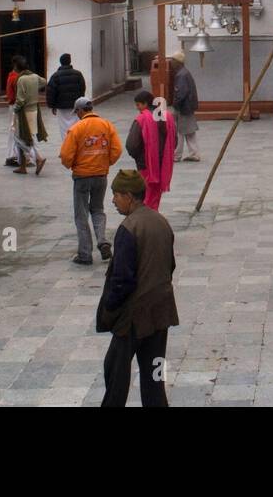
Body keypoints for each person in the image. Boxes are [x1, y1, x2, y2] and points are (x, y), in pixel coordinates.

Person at [97, 169, 179, 407]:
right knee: (154, 377)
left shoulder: (128, 228)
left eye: (116, 195)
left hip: (134, 315)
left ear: (129, 196)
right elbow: (170, 265)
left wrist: (110, 309)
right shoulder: (161, 221)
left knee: (115, 370)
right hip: (161, 310)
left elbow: (122, 280)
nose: (113, 200)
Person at [60, 96, 122, 264]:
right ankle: (102, 241)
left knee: (81, 215)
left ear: (81, 111)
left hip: (82, 177)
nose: (77, 115)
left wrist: (72, 165)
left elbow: (66, 156)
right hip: (101, 175)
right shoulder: (107, 125)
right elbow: (117, 149)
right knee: (98, 210)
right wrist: (105, 163)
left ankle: (85, 254)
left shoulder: (76, 129)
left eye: (77, 112)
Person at [126, 89, 175, 211]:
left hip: (146, 165)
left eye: (138, 105)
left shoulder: (142, 119)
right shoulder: (167, 117)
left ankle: (146, 223)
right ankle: (154, 220)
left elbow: (131, 145)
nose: (138, 108)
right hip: (163, 164)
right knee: (154, 198)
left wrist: (139, 157)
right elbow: (174, 141)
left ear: (145, 104)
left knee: (145, 198)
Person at [12, 60, 48, 175]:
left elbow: (20, 99)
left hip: (24, 112)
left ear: (17, 67)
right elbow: (44, 82)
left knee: (20, 137)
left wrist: (15, 110)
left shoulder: (21, 79)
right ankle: (23, 166)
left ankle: (38, 157)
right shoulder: (34, 76)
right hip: (34, 110)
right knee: (30, 136)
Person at [46, 53, 87, 138]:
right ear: (70, 61)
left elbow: (51, 92)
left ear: (61, 62)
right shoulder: (78, 74)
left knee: (64, 127)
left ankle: (67, 145)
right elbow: (82, 89)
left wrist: (52, 105)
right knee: (76, 124)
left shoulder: (55, 76)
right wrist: (80, 102)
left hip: (62, 107)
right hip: (75, 105)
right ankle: (76, 142)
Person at [170, 51, 201, 162]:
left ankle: (176, 155)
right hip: (188, 107)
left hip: (183, 108)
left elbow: (181, 93)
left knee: (180, 131)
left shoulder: (181, 75)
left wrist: (175, 105)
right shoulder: (185, 73)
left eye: (173, 60)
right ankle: (194, 153)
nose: (171, 63)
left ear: (178, 62)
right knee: (189, 131)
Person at [4, 54, 25, 167]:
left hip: (13, 105)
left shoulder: (13, 76)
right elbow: (14, 97)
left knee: (14, 131)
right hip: (15, 106)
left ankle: (14, 155)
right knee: (14, 132)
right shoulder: (15, 78)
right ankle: (12, 156)